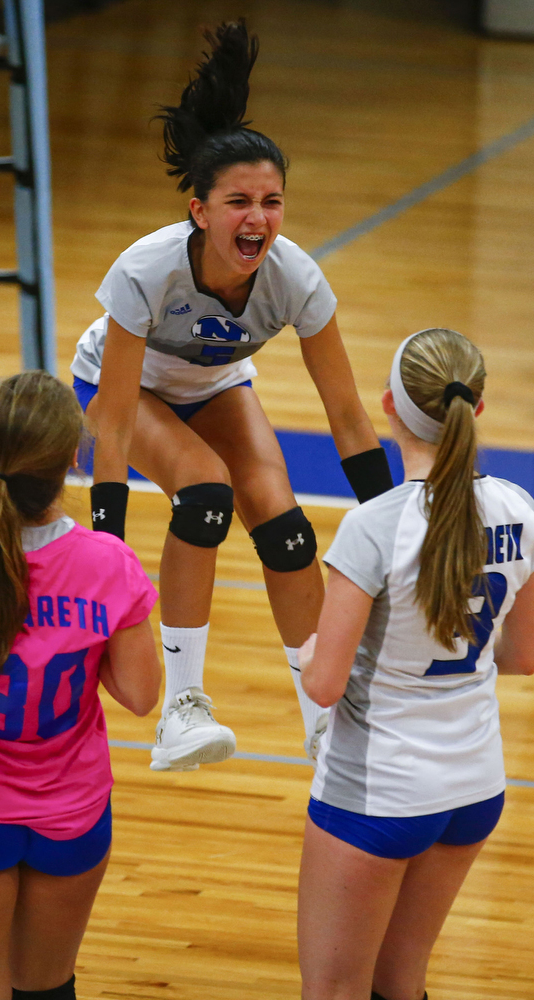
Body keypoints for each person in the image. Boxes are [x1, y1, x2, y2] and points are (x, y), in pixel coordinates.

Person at [70, 19, 393, 771]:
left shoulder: (296, 280)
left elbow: (346, 415)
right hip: (126, 389)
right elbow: (113, 421)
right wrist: (109, 542)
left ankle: (324, 712)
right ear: (200, 210)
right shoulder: (144, 272)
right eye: (240, 202)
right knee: (206, 492)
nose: (258, 219)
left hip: (216, 385)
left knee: (287, 534)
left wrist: (389, 521)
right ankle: (182, 712)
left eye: (273, 202)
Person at [0, 371, 160, 1000]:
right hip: (72, 814)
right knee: (45, 988)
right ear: (73, 457)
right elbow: (143, 695)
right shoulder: (108, 562)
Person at [296, 328, 534, 1000]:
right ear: (476, 410)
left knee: (335, 988)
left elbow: (325, 682)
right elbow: (523, 657)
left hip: (379, 793)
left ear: (389, 409)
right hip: (475, 786)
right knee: (401, 981)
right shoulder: (519, 508)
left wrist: (312, 650)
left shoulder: (373, 526)